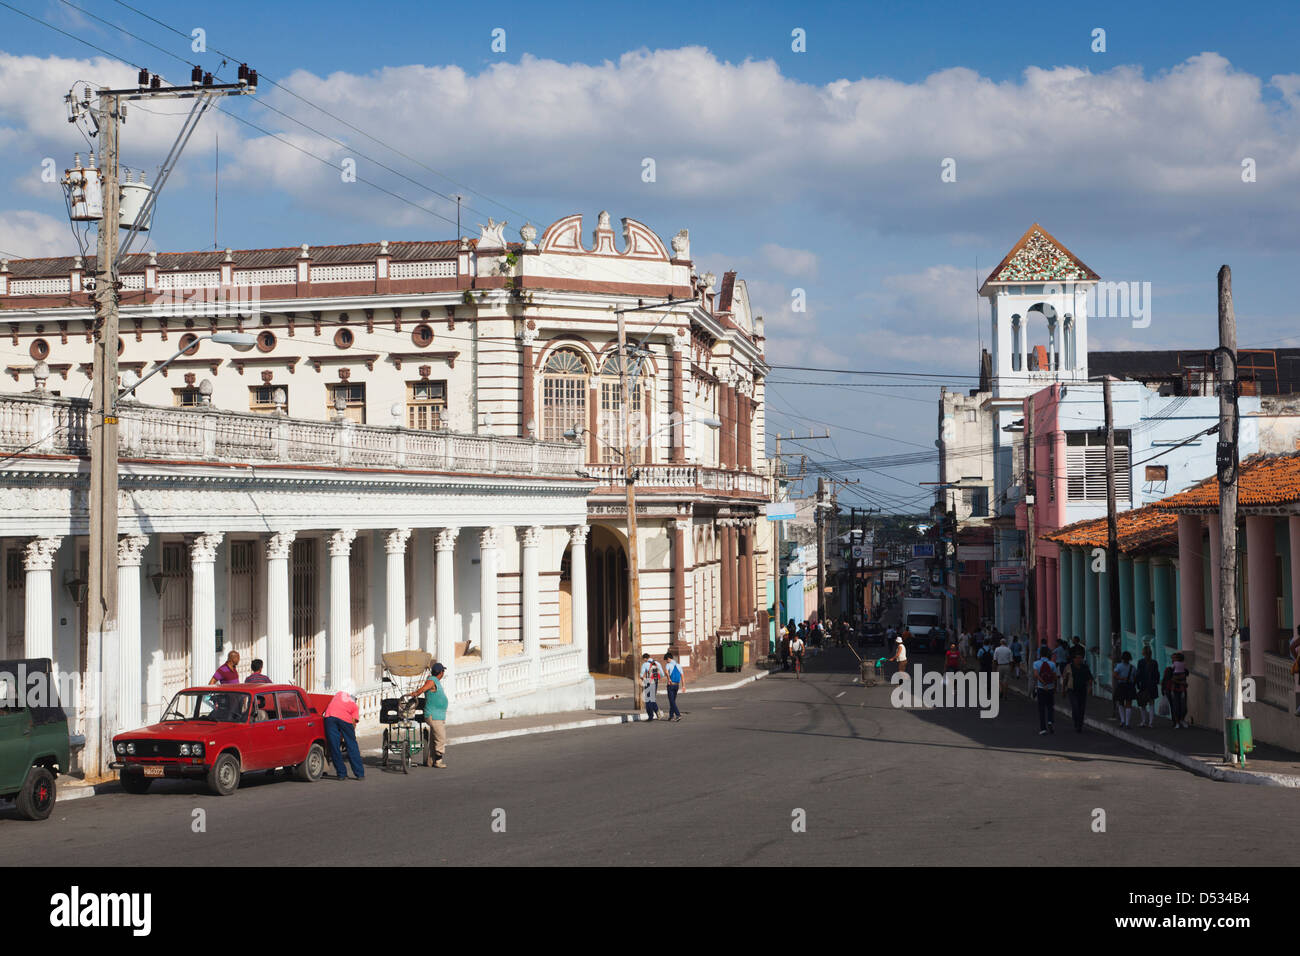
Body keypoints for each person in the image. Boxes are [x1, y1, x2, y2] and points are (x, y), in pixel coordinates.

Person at [406, 663, 449, 767]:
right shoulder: (432, 680)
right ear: (441, 673)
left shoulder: (435, 681)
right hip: (433, 715)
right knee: (440, 738)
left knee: (434, 738)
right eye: (443, 671)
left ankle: (430, 761)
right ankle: (438, 761)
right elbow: (424, 688)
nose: (443, 673)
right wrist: (416, 693)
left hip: (438, 715)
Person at [323, 683, 364, 780]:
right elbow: (353, 723)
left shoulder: (338, 695)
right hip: (344, 719)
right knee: (352, 745)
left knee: (334, 746)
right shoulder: (354, 706)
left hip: (329, 717)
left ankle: (341, 774)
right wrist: (348, 735)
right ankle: (359, 774)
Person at [1061, 648, 1093, 732]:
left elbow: (1089, 678)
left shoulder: (1085, 667)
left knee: (1081, 708)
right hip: (1072, 690)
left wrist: (1090, 687)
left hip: (1082, 690)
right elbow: (1065, 679)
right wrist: (1063, 690)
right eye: (1077, 658)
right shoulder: (1069, 667)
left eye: (1081, 658)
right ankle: (1076, 722)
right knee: (1075, 707)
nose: (1079, 660)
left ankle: (1080, 725)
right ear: (1074, 659)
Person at [1134, 646, 1161, 728]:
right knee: (1151, 703)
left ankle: (1143, 721)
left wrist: (1137, 683)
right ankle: (1151, 722)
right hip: (1152, 685)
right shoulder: (1154, 662)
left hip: (1143, 685)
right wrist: (1156, 682)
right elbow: (1157, 674)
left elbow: (1138, 674)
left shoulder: (1141, 662)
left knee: (1143, 704)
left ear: (1143, 653)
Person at [1032, 647, 1057, 735]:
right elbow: (1054, 677)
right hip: (1050, 688)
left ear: (1040, 654)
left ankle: (1043, 729)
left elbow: (1036, 675)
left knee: (1041, 708)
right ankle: (1050, 721)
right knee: (1050, 706)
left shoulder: (1036, 663)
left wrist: (1043, 683)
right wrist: (1052, 686)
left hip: (1041, 688)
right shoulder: (1052, 664)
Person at [1113, 651, 1137, 728]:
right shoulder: (1133, 668)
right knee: (1129, 704)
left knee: (1121, 703)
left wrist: (1122, 678)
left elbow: (1115, 675)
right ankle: (1127, 723)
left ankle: (1122, 721)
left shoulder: (1119, 666)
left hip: (1121, 685)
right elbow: (1135, 677)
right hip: (1130, 686)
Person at [1168, 652, 1190, 728]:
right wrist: (1181, 681)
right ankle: (1177, 722)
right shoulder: (1170, 669)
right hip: (1175, 689)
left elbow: (1186, 673)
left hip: (1182, 688)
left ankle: (1181, 720)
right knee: (1176, 706)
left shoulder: (1181, 667)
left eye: (1174, 658)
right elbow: (1171, 679)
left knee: (1183, 707)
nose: (1173, 660)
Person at [663, 651, 684, 722]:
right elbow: (682, 676)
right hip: (677, 685)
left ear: (668, 659)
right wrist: (683, 686)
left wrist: (669, 679)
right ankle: (671, 716)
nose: (666, 661)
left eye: (666, 660)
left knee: (671, 701)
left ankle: (678, 715)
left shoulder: (668, 665)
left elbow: (666, 672)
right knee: (673, 701)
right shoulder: (678, 665)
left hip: (671, 685)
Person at [642, 655, 661, 720]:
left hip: (648, 681)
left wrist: (643, 679)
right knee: (652, 698)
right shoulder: (657, 663)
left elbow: (641, 675)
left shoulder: (645, 664)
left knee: (648, 700)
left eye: (643, 659)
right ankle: (657, 712)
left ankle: (650, 716)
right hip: (655, 682)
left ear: (645, 658)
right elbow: (662, 674)